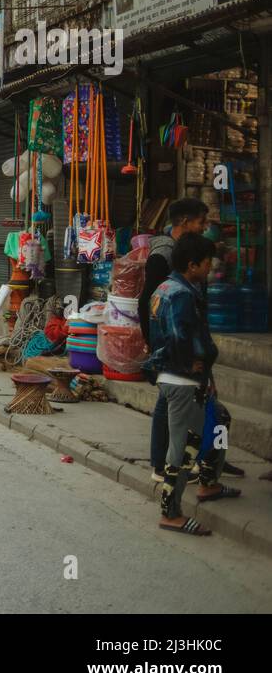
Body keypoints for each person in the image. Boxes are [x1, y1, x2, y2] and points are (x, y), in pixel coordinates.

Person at [144, 233, 240, 538]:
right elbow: (177, 337)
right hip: (181, 380)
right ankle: (171, 513)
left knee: (219, 422)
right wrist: (190, 364)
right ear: (192, 264)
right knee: (182, 448)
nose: (210, 268)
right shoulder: (180, 294)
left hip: (187, 379)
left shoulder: (170, 288)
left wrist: (205, 375)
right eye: (206, 263)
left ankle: (209, 483)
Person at [139, 198, 208, 481]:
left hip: (180, 349)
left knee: (173, 407)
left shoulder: (185, 253)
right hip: (172, 349)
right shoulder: (165, 256)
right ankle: (167, 469)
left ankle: (198, 461)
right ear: (184, 222)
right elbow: (148, 301)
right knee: (171, 411)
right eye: (201, 222)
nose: (204, 228)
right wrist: (152, 342)